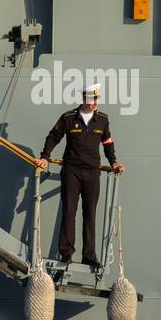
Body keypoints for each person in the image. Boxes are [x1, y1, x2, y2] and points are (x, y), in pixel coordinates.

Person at [36, 84, 125, 270]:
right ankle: (66, 253)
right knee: (69, 212)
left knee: (90, 214)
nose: (95, 103)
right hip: (72, 171)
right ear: (84, 98)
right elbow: (53, 136)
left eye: (97, 99)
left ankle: (89, 256)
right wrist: (44, 157)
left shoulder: (102, 120)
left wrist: (113, 162)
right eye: (92, 99)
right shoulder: (68, 118)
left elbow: (107, 142)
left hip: (92, 172)